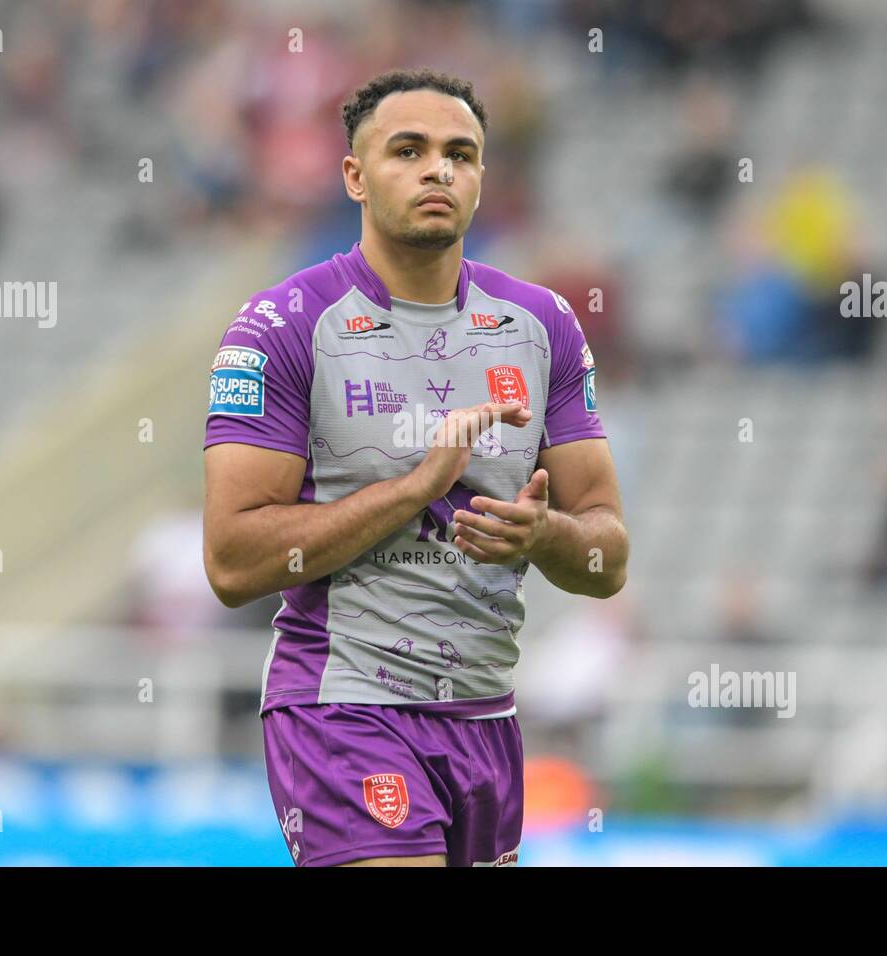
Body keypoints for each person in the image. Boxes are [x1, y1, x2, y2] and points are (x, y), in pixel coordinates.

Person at [201, 68, 628, 866]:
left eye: (460, 154)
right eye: (409, 150)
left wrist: (544, 535)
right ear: (354, 177)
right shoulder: (283, 326)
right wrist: (414, 489)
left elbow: (608, 558)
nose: (440, 170)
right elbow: (230, 562)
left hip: (486, 721)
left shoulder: (544, 327)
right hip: (344, 706)